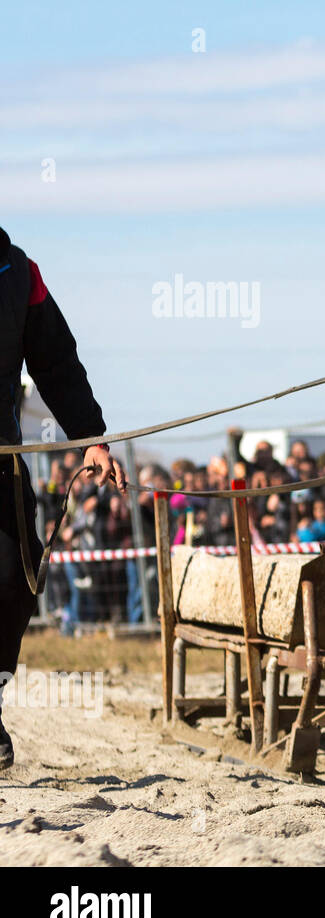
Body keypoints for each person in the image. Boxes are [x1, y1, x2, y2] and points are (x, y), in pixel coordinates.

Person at [1, 228, 122, 768]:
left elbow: (55, 363)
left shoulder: (18, 272)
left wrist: (89, 437)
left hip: (0, 461)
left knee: (12, 584)